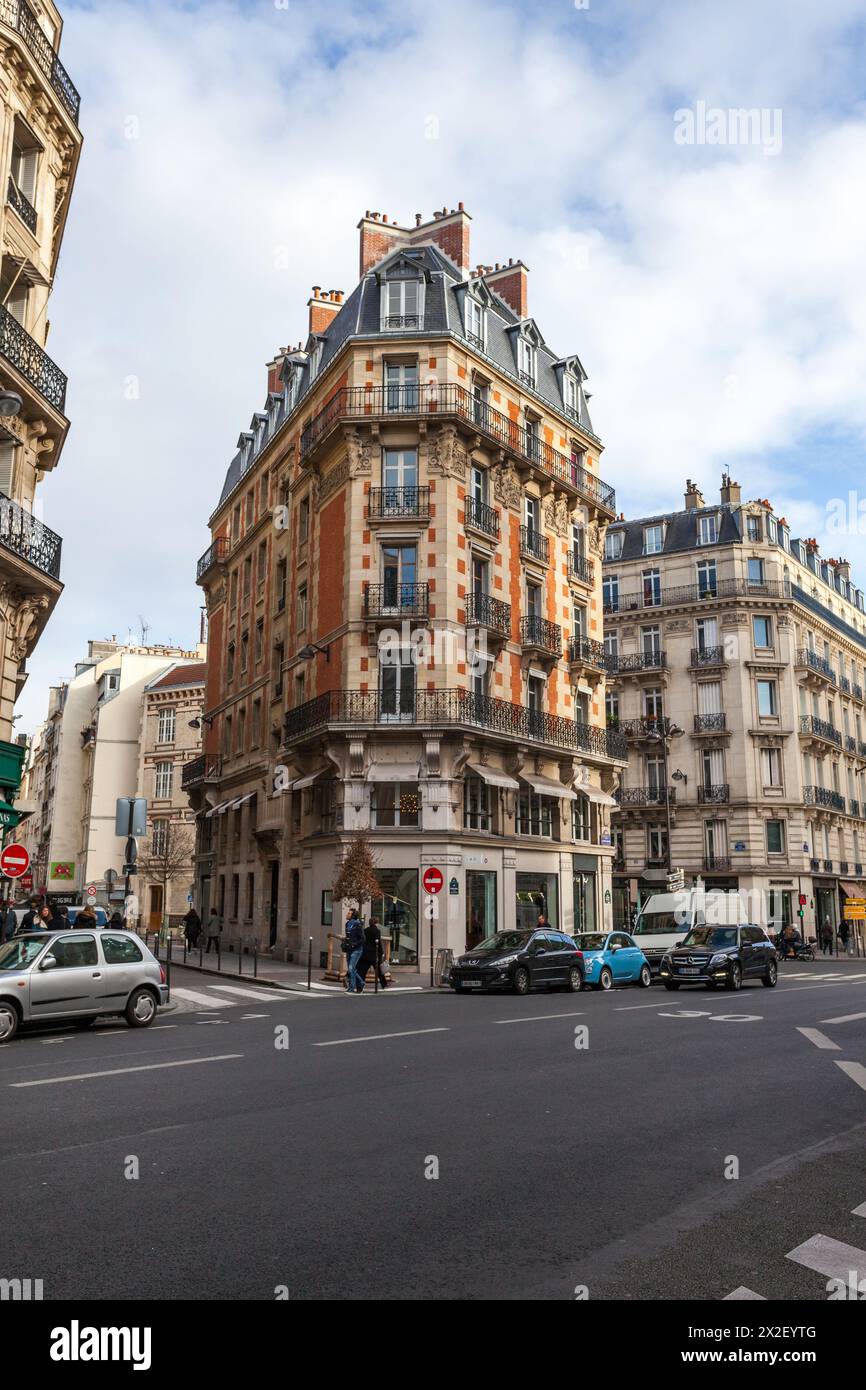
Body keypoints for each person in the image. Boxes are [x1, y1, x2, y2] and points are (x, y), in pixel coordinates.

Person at [358, 915, 388, 992]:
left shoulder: (365, 930)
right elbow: (378, 943)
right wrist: (381, 953)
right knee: (378, 971)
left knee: (362, 971)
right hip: (374, 954)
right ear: (376, 923)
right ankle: (384, 984)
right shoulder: (377, 931)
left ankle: (360, 986)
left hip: (365, 954)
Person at [343, 908, 365, 993]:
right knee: (351, 969)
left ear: (353, 916)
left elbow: (363, 939)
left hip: (357, 950)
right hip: (349, 949)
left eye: (349, 913)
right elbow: (349, 936)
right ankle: (361, 982)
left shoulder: (357, 924)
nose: (347, 914)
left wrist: (354, 944)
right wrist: (345, 943)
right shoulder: (347, 924)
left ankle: (352, 988)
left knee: (351, 968)